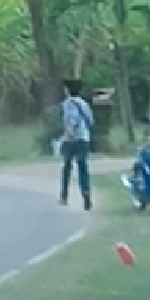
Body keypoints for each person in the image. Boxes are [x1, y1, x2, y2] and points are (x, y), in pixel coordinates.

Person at [59, 79, 94, 210]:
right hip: (84, 138)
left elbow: (71, 119)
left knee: (67, 166)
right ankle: (86, 193)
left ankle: (64, 195)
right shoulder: (84, 103)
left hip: (71, 139)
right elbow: (91, 121)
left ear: (68, 90)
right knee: (82, 166)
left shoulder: (67, 104)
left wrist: (69, 133)